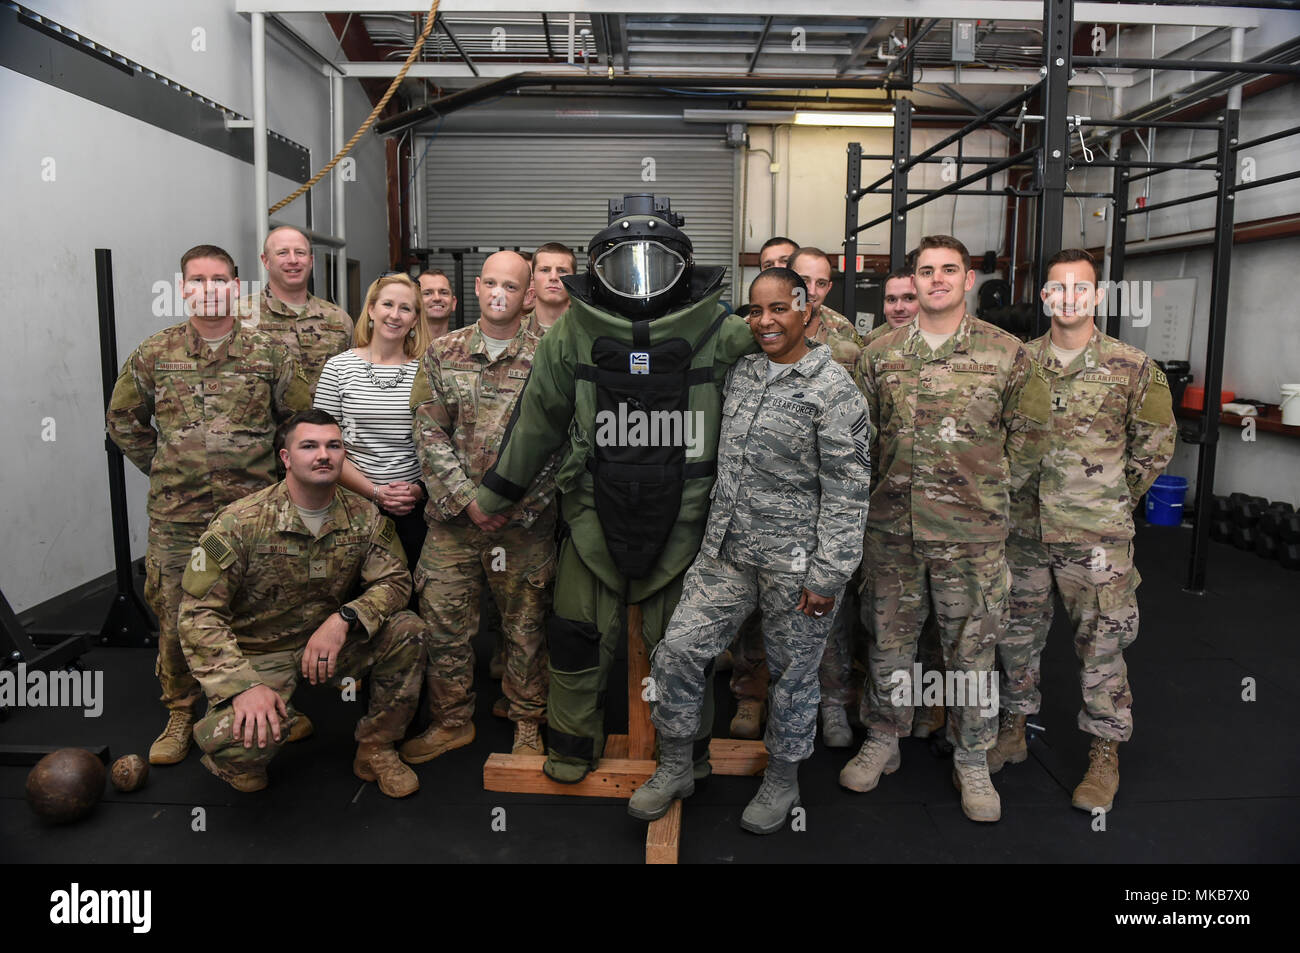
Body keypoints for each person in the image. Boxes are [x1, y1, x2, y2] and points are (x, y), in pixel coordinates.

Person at [475, 193, 758, 783]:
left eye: (655, 262)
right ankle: (573, 749)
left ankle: (686, 755)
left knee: (683, 649)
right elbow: (538, 423)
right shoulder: (572, 334)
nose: (641, 279)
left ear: (683, 267)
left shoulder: (722, 330)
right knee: (577, 640)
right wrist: (493, 497)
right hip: (592, 519)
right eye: (625, 264)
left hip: (687, 520)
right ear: (597, 267)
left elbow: (790, 358)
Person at [628, 267, 870, 833]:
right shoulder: (740, 374)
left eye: (778, 309)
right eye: (754, 311)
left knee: (792, 679)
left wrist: (828, 576)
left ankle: (783, 780)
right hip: (727, 554)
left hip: (797, 568)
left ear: (805, 309)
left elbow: (849, 492)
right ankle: (676, 766)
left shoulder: (833, 391)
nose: (764, 321)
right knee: (678, 653)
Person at [843, 234, 1050, 823]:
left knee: (972, 652)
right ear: (914, 280)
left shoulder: (1008, 355)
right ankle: (883, 736)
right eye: (926, 270)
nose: (936, 280)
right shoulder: (879, 354)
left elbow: (1030, 439)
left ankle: (973, 756)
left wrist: (984, 492)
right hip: (892, 532)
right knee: (888, 642)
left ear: (966, 281)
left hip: (972, 536)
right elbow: (865, 437)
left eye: (948, 270)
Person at [106, 243, 312, 767]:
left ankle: (274, 697)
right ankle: (180, 709)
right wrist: (165, 466)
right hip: (179, 516)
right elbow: (124, 420)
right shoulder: (156, 353)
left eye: (219, 279)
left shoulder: (270, 355)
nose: (208, 289)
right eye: (197, 280)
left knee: (261, 606)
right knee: (176, 610)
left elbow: (298, 422)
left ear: (236, 286)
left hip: (252, 513)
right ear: (183, 289)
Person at [992, 249, 1175, 813]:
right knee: (1015, 639)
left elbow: (1155, 444)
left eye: (1080, 288)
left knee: (1102, 646)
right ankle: (1014, 727)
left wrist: (1111, 500)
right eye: (1056, 288)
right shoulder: (1015, 362)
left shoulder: (1134, 367)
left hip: (1096, 539)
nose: (1067, 297)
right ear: (1044, 297)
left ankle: (1104, 753)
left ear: (1097, 297)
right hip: (1022, 532)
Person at [178, 409, 427, 797]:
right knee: (242, 755)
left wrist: (345, 618)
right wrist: (243, 687)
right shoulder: (240, 522)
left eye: (334, 445)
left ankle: (377, 747)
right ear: (286, 458)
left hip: (326, 648)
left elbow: (395, 580)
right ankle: (261, 723)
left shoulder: (365, 516)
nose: (323, 455)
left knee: (408, 629)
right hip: (259, 654)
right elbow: (197, 614)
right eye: (309, 446)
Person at [403, 251, 556, 760]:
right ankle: (451, 721)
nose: (498, 293)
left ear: (528, 294)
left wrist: (513, 504)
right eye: (490, 283)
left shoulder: (552, 355)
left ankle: (527, 719)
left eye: (510, 286)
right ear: (477, 287)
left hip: (523, 524)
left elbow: (564, 441)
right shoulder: (443, 352)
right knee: (444, 626)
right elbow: (428, 433)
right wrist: (470, 502)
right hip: (453, 523)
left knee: (525, 628)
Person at [314, 273, 430, 570]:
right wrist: (374, 492)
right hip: (351, 506)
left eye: (406, 308)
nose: (395, 315)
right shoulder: (339, 367)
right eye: (387, 304)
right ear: (372, 310)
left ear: (416, 319)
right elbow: (323, 446)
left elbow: (439, 442)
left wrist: (417, 490)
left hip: (413, 508)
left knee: (410, 597)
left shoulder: (428, 372)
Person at [241, 225, 353, 391]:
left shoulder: (338, 319)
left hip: (327, 416)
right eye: (282, 253)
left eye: (300, 252)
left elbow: (352, 380)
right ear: (265, 261)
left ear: (311, 261)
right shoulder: (239, 315)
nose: (293, 260)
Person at [528, 242, 576, 335]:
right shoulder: (512, 330)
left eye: (562, 271)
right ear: (533, 277)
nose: (553, 277)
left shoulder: (588, 330)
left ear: (573, 278)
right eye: (545, 270)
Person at [418, 269, 457, 340]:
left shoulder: (465, 347)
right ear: (415, 303)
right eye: (427, 293)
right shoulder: (402, 347)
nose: (437, 298)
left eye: (444, 293)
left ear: (454, 303)